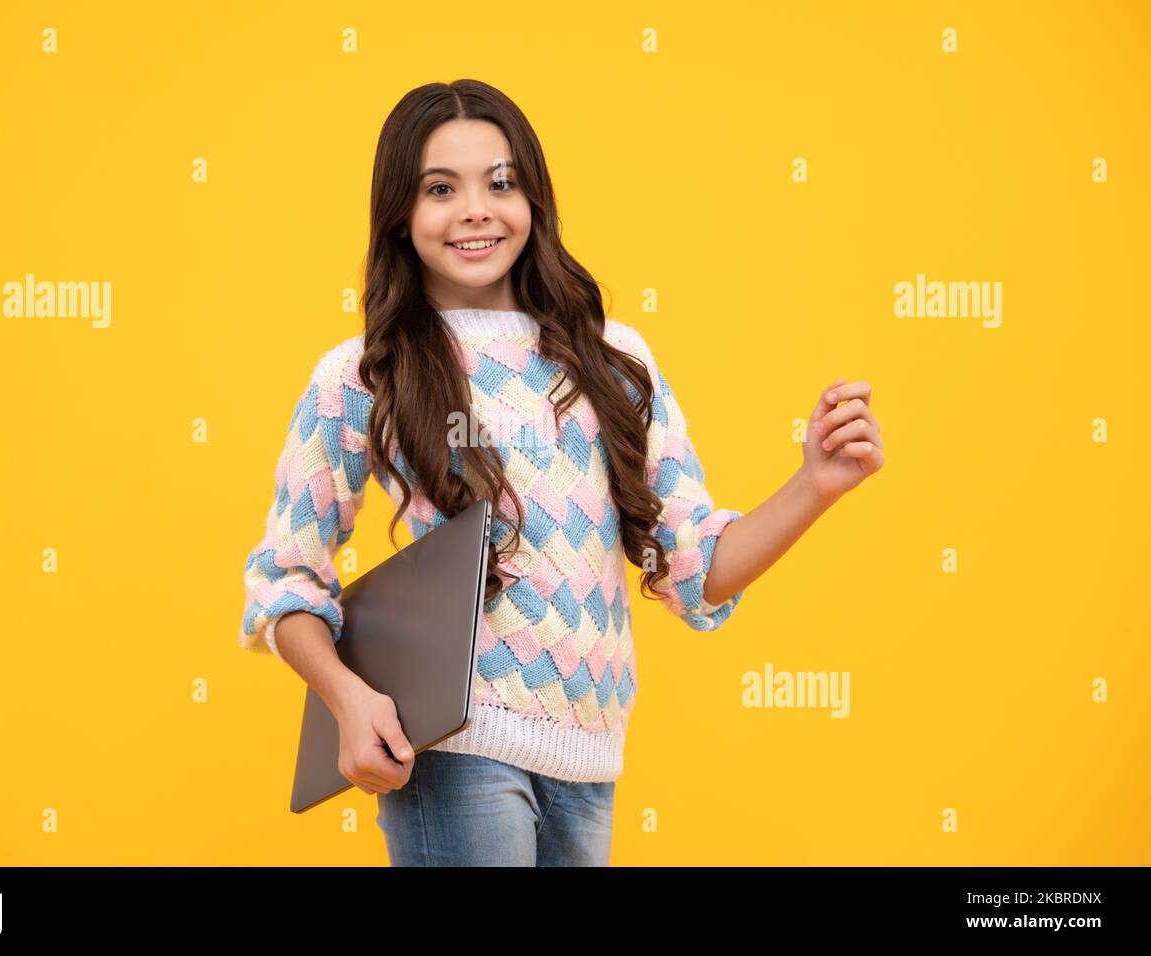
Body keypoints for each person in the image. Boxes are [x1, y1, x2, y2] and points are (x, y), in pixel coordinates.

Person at [239, 79, 885, 866]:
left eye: (500, 182)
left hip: (590, 759)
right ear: (401, 218)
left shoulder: (616, 362)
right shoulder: (363, 375)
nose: (476, 209)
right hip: (453, 747)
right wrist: (350, 701)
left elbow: (696, 572)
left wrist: (813, 484)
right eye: (440, 189)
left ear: (534, 200)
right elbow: (286, 582)